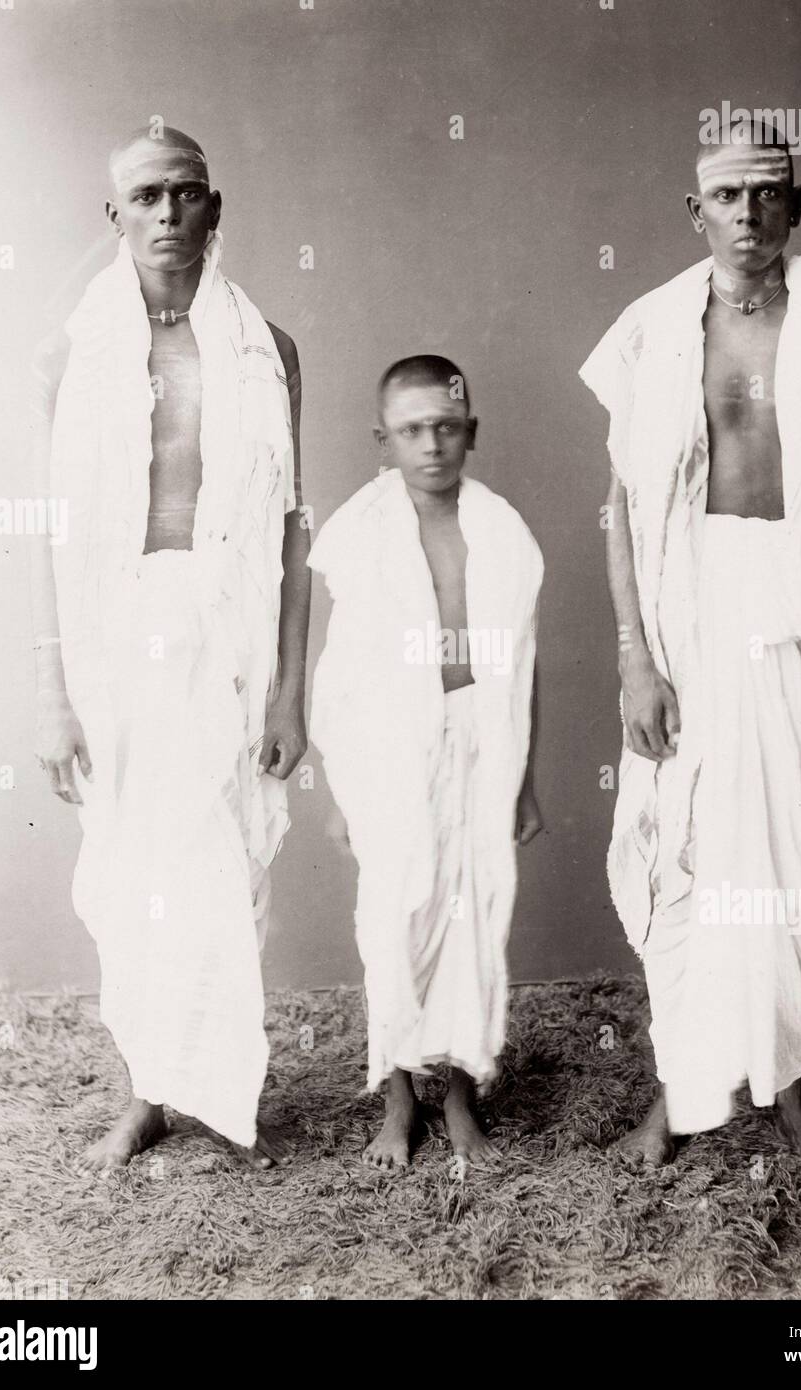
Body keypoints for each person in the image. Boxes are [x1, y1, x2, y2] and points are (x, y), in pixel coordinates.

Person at [579, 121, 801, 1166]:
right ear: (695, 211)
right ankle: (681, 1097)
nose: (749, 214)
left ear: (796, 209)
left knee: (793, 867)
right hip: (687, 612)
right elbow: (622, 509)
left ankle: (793, 1093)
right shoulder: (650, 332)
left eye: (770, 194)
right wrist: (635, 656)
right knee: (685, 849)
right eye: (728, 196)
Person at [30, 127, 310, 1170]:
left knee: (228, 863)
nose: (166, 214)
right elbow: (51, 533)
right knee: (130, 872)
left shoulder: (268, 350)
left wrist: (290, 691)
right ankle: (145, 1096)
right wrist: (51, 686)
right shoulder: (71, 352)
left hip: (227, 639)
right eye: (146, 195)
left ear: (215, 208)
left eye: (186, 194)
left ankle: (225, 1094)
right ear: (115, 215)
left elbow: (291, 527)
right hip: (116, 645)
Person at [309, 356, 543, 1170]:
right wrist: (344, 791)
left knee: (472, 913)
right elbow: (339, 672)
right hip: (389, 744)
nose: (432, 444)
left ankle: (459, 1096)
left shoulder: (501, 528)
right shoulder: (361, 531)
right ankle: (398, 1102)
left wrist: (525, 777)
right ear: (384, 439)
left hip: (480, 736)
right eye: (412, 431)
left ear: (470, 431)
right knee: (394, 918)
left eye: (446, 426)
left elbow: (520, 663)